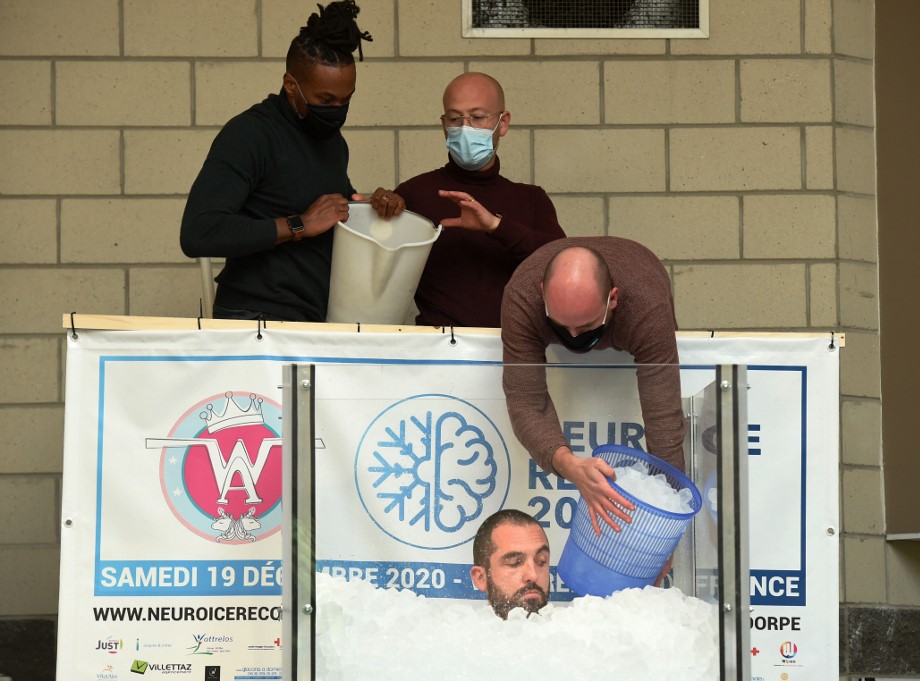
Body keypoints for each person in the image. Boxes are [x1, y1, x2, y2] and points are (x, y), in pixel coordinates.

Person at [180, 1, 373, 322]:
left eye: (346, 99)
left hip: (316, 317)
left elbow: (334, 213)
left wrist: (375, 210)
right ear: (290, 85)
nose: (336, 110)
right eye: (325, 100)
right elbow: (199, 232)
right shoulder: (250, 134)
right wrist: (298, 224)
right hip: (254, 318)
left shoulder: (333, 142)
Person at [501, 237, 687, 535]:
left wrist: (667, 526)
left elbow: (664, 422)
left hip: (643, 271)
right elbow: (525, 400)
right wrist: (570, 465)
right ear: (541, 295)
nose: (572, 336)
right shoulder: (522, 297)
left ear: (613, 299)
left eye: (586, 326)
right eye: (560, 325)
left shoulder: (647, 306)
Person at [366, 72, 565, 328]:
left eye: (478, 117)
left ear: (502, 123)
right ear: (443, 126)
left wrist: (496, 226)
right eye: (454, 118)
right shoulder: (415, 193)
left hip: (514, 350)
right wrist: (374, 215)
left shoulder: (530, 198)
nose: (465, 127)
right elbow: (376, 276)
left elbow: (561, 261)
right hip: (437, 350)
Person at [470, 509, 550, 619]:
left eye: (541, 561)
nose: (533, 575)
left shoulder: (571, 631)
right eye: (515, 563)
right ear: (481, 578)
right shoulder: (461, 635)